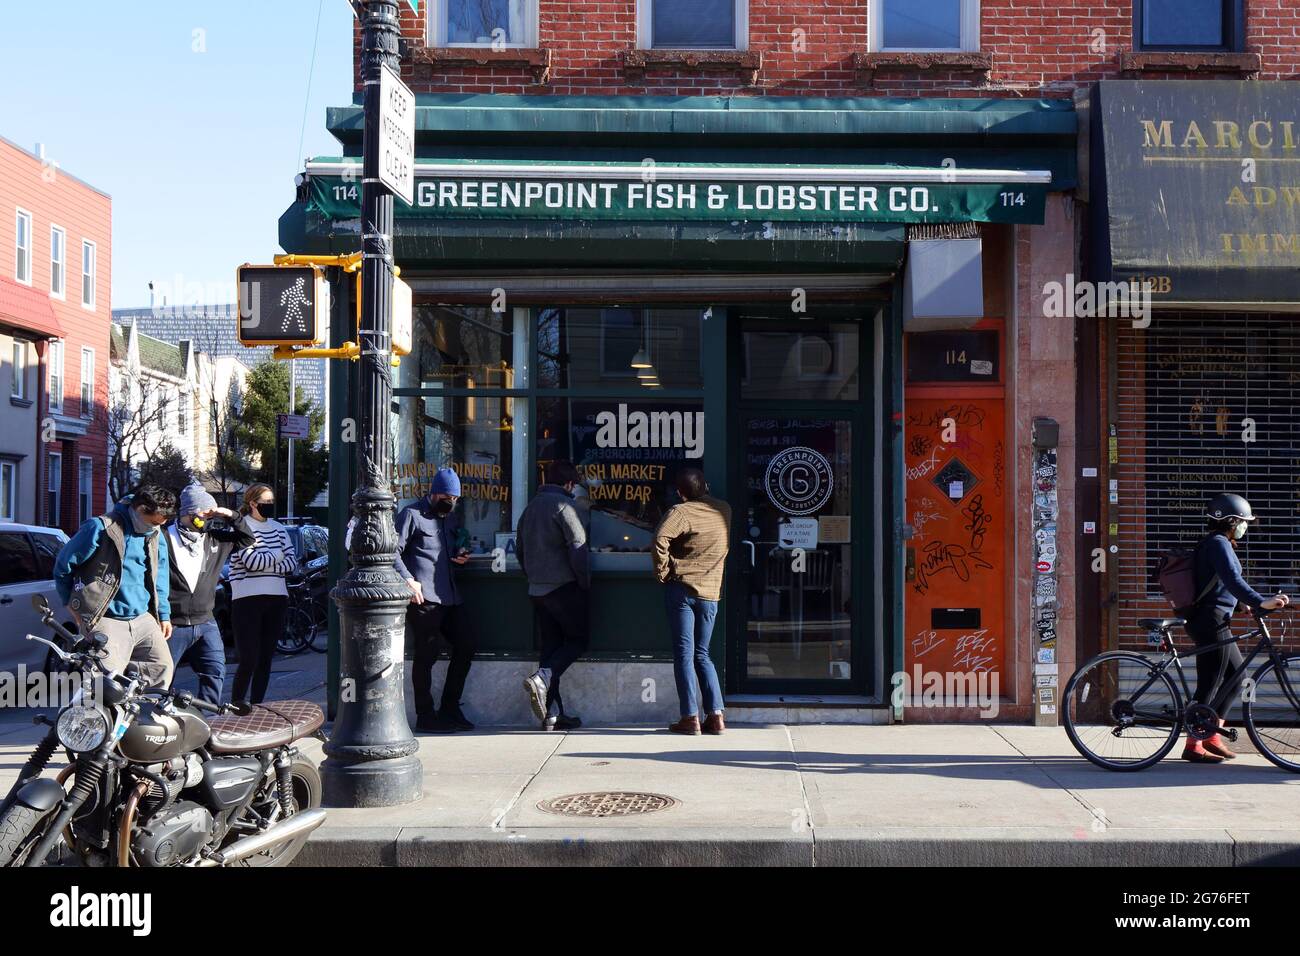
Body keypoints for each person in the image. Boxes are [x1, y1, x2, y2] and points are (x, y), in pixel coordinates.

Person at [1182, 492, 1289, 763]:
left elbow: (1218, 584)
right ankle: (1194, 744)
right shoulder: (1219, 543)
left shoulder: (1217, 543)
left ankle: (1210, 735)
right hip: (1210, 621)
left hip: (1213, 618)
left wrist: (1242, 605)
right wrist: (1261, 601)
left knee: (1235, 678)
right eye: (1243, 521)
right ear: (1230, 521)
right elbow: (1231, 579)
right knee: (1210, 682)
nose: (1245, 526)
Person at [53, 485, 176, 689]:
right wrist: (70, 604)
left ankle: (141, 718)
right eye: (154, 522)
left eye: (161, 524)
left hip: (143, 618)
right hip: (106, 620)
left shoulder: (155, 534)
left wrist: (164, 613)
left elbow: (159, 574)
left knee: (161, 667)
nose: (156, 527)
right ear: (140, 509)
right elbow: (63, 567)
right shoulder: (100, 527)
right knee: (104, 685)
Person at [394, 467, 477, 734]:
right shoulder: (411, 514)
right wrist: (408, 579)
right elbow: (391, 551)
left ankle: (450, 708)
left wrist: (461, 556)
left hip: (450, 595)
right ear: (434, 493)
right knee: (426, 655)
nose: (451, 502)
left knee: (466, 646)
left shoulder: (450, 518)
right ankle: (425, 715)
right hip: (424, 598)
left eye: (455, 498)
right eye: (446, 496)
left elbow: (451, 550)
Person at [652, 468, 731, 735]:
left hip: (683, 590)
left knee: (684, 655)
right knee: (703, 655)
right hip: (711, 592)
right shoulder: (724, 510)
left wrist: (663, 571)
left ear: (680, 493)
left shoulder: (681, 512)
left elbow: (659, 539)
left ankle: (690, 718)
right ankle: (716, 716)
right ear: (706, 486)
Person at [163, 484, 253, 705]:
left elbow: (247, 538)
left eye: (211, 514)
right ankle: (158, 722)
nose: (208, 519)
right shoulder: (163, 537)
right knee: (162, 678)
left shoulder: (215, 539)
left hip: (205, 621)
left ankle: (206, 723)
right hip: (172, 624)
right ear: (188, 513)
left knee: (215, 670)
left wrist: (230, 514)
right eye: (204, 514)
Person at [518, 460, 589, 731]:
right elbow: (578, 547)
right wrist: (583, 581)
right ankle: (543, 678)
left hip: (537, 590)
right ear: (569, 484)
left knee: (551, 648)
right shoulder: (564, 506)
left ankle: (551, 715)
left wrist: (532, 577)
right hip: (564, 587)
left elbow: (521, 549)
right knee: (577, 641)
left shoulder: (530, 507)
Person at [228, 483, 296, 706]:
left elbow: (292, 563)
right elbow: (251, 562)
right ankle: (237, 703)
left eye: (271, 502)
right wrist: (277, 555)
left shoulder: (278, 527)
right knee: (248, 658)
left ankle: (257, 704)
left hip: (277, 597)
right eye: (265, 502)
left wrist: (268, 560)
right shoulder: (241, 526)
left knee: (266, 657)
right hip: (246, 599)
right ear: (252, 503)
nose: (269, 506)